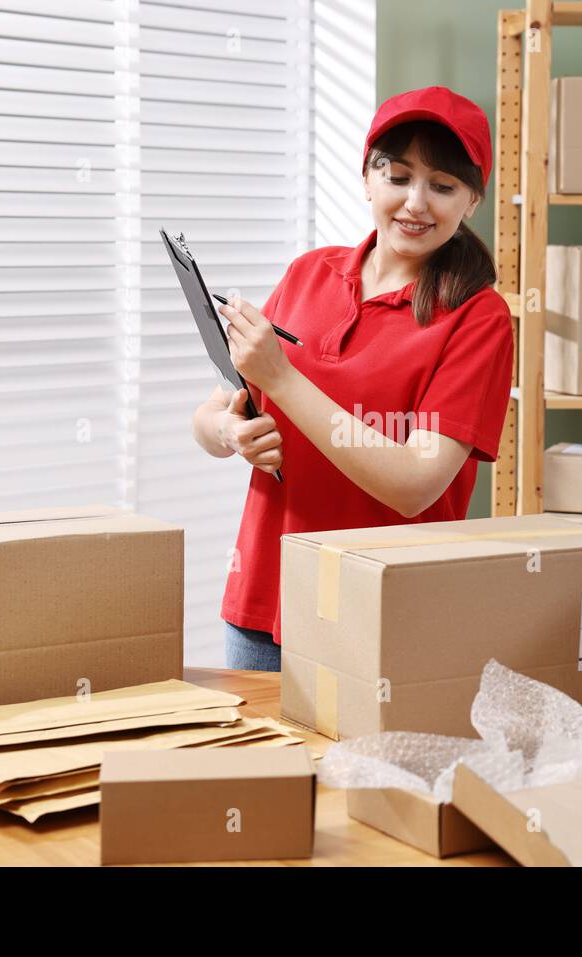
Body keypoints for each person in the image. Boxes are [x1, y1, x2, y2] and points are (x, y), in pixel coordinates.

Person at [191, 86, 514, 672]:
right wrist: (232, 435)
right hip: (265, 605)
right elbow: (210, 417)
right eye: (398, 176)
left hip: (386, 619)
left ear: (471, 201)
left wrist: (283, 381)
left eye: (442, 187)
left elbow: (417, 483)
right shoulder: (308, 273)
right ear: (368, 177)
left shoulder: (478, 316)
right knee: (256, 766)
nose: (416, 203)